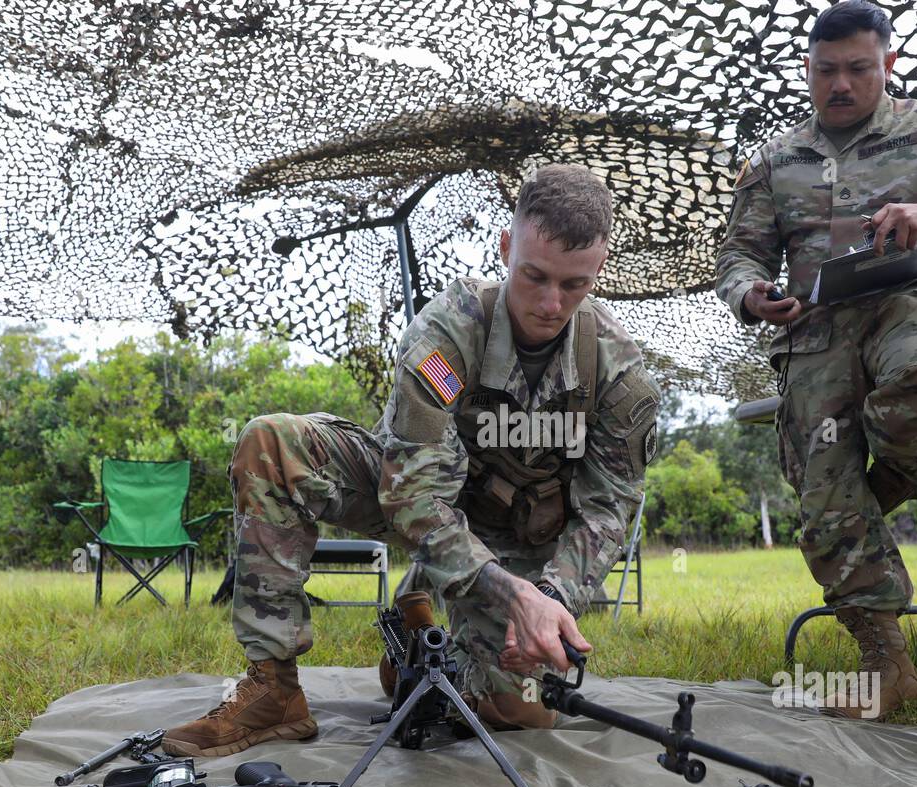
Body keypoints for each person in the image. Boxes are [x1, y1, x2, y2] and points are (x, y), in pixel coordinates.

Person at [163, 163, 660, 756]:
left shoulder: (619, 372)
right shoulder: (449, 334)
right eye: (534, 276)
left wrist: (548, 602)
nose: (552, 303)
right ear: (506, 248)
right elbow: (413, 498)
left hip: (523, 544)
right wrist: (514, 598)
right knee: (273, 443)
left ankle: (427, 648)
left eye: (574, 285)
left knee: (522, 712)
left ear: (598, 272)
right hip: (417, 498)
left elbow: (608, 510)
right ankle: (273, 690)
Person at [716, 0, 917, 719]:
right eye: (826, 70)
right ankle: (888, 662)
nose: (841, 84)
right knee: (823, 487)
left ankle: (846, 511)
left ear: (887, 63)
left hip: (907, 307)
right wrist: (751, 294)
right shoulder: (775, 159)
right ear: (808, 69)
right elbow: (738, 253)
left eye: (859, 68)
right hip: (815, 334)